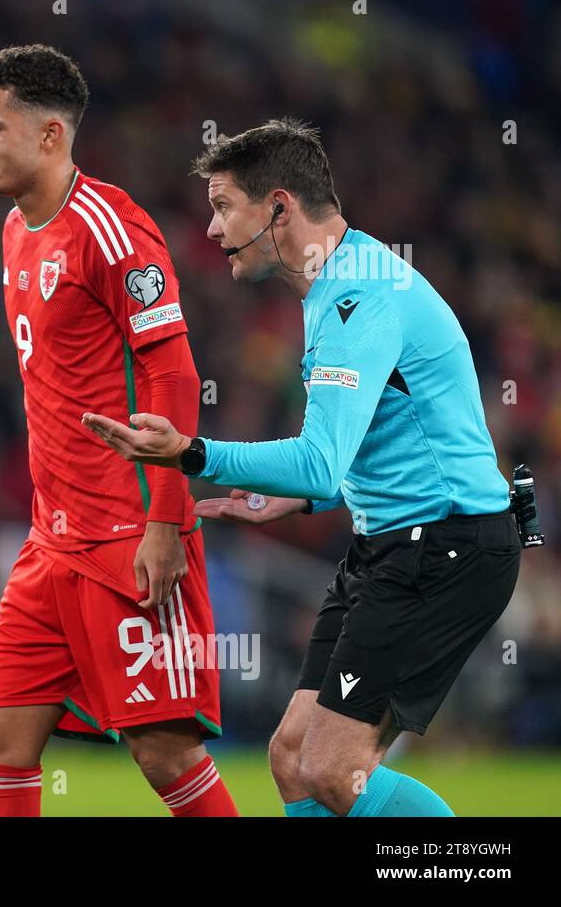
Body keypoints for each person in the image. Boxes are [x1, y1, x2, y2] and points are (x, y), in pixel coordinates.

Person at [84, 118, 521, 817]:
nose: (212, 230)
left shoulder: (357, 296)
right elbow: (382, 443)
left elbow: (318, 464)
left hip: (446, 548)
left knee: (331, 769)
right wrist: (304, 500)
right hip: (396, 543)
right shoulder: (343, 284)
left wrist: (189, 454)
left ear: (279, 208)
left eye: (225, 207)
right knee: (292, 757)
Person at [0, 45, 237, 817]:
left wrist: (163, 523)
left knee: (164, 752)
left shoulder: (112, 227)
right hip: (50, 541)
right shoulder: (17, 230)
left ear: (50, 135)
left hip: (128, 533)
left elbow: (175, 376)